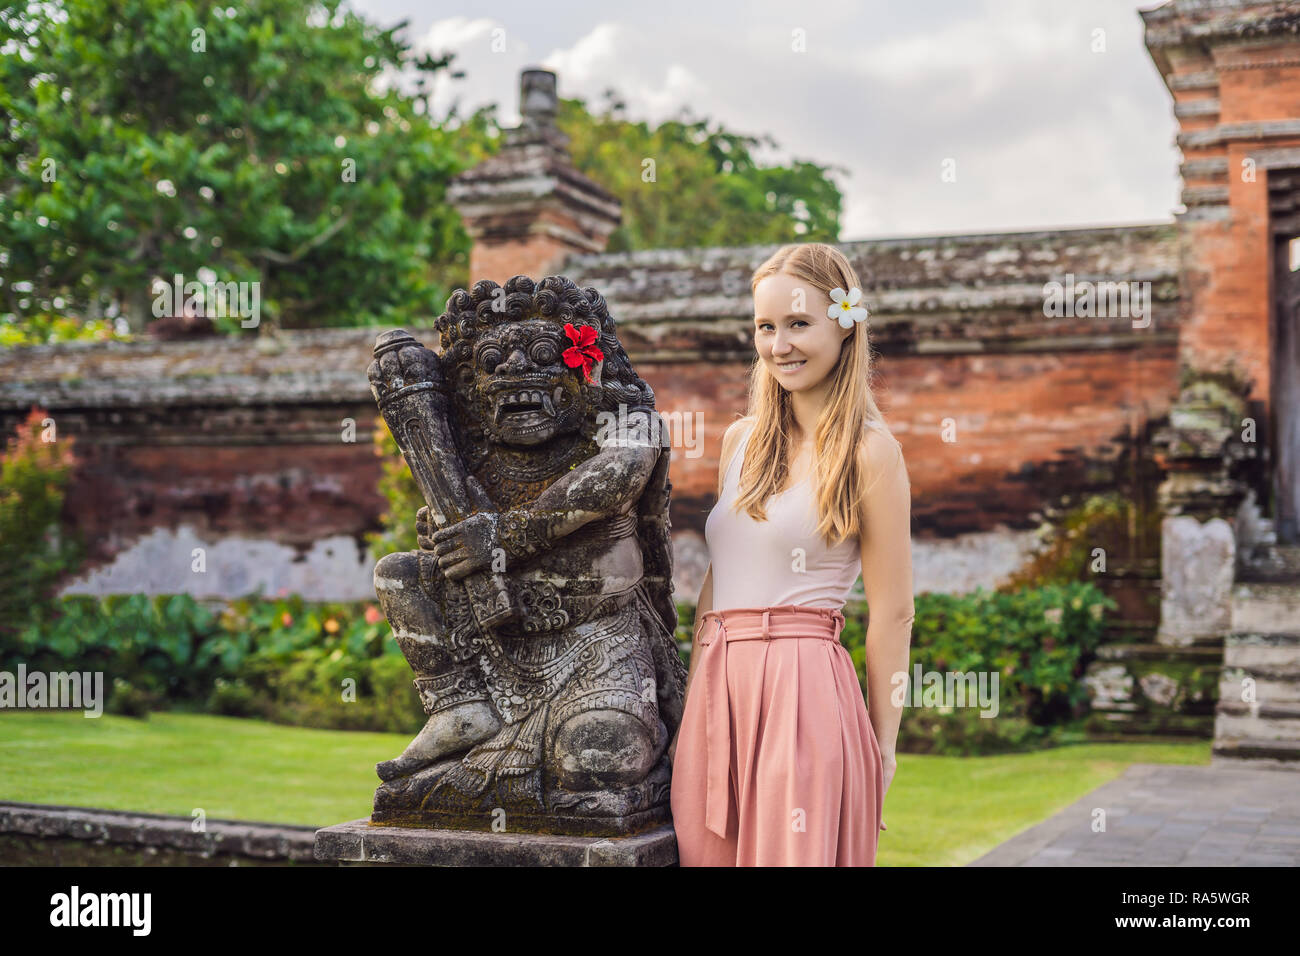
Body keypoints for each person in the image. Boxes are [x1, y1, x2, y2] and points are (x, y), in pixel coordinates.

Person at [668, 242, 915, 866]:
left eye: (799, 323)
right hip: (717, 688)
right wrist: (692, 696)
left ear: (845, 323)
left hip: (805, 691)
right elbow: (719, 582)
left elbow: (892, 614)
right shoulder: (740, 442)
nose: (781, 345)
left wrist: (884, 745)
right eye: (766, 327)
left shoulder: (871, 452)